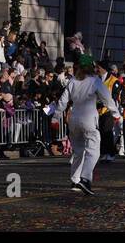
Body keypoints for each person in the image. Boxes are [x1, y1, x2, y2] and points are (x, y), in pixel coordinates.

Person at [50, 55, 120, 195]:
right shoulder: (95, 81)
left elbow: (63, 101)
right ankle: (85, 179)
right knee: (94, 150)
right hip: (88, 119)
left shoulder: (73, 81)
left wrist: (55, 118)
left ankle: (75, 180)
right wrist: (116, 114)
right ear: (91, 68)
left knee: (78, 150)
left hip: (74, 119)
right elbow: (107, 98)